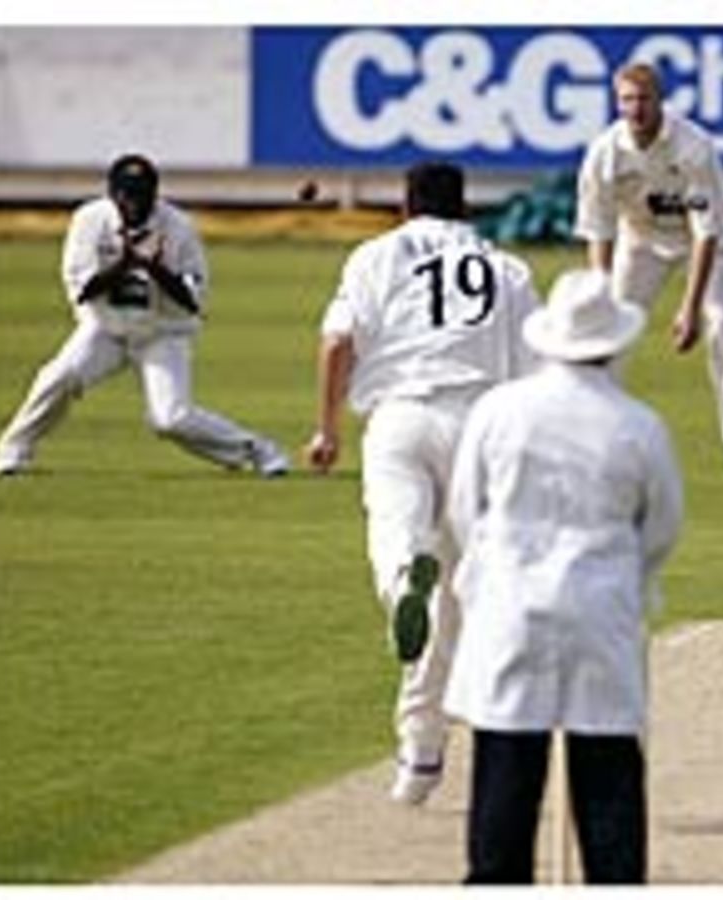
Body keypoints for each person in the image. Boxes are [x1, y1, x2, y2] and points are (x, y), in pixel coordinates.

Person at [303, 161, 540, 806]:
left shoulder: (374, 256)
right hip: (479, 426)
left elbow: (335, 345)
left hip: (399, 418)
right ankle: (422, 749)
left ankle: (405, 583)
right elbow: (539, 373)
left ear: (407, 207)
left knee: (401, 553)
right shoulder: (507, 267)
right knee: (458, 601)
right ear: (464, 208)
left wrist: (327, 429)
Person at [444, 268, 684, 884]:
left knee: (506, 772)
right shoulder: (637, 423)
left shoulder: (499, 409)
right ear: (616, 342)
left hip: (510, 603)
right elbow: (660, 527)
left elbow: (466, 510)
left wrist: (500, 563)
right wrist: (624, 576)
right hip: (600, 605)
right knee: (607, 780)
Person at [0, 153, 289, 478]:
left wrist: (154, 268)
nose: (134, 204)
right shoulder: (90, 221)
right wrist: (127, 262)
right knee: (58, 377)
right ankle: (13, 452)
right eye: (126, 196)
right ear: (112, 194)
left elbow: (192, 301)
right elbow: (84, 290)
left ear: (154, 194)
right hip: (105, 328)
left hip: (163, 332)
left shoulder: (178, 227)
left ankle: (259, 451)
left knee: (170, 419)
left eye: (142, 196)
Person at [575, 62, 723, 469]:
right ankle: (593, 426)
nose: (636, 108)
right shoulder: (604, 155)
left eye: (644, 99)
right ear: (617, 102)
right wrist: (600, 292)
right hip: (641, 239)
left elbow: (706, 230)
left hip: (705, 241)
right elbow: (599, 229)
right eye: (627, 99)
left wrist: (690, 307)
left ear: (660, 100)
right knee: (609, 329)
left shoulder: (692, 146)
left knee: (721, 324)